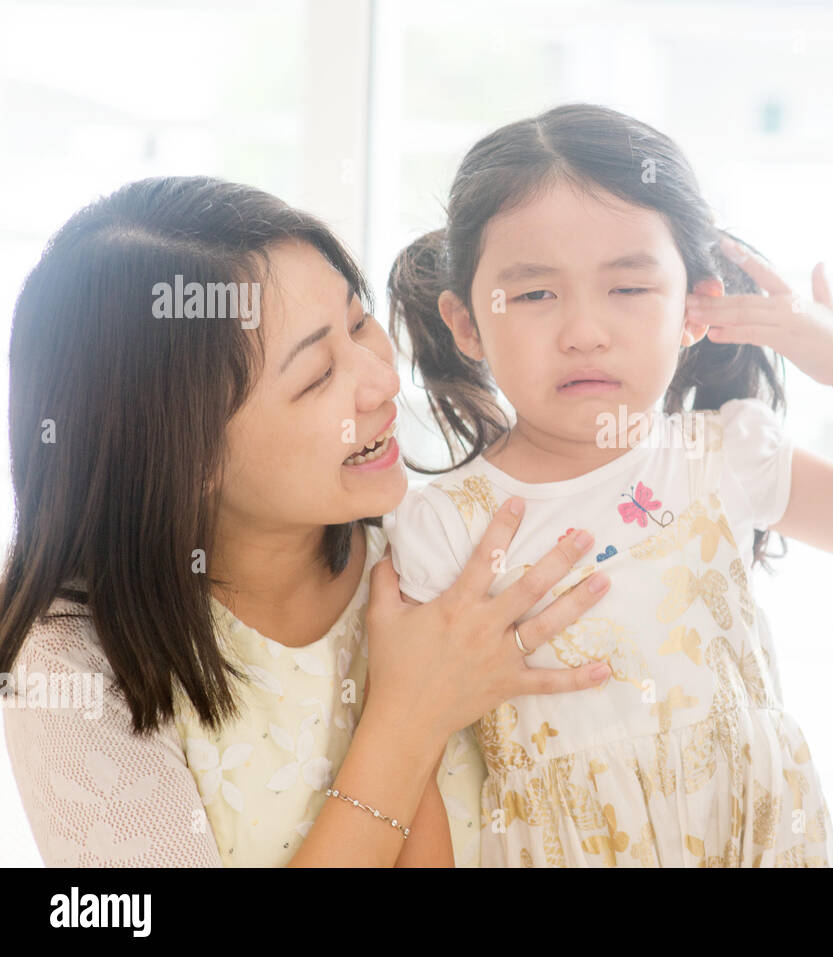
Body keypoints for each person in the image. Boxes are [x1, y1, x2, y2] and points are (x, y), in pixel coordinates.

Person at [384, 103, 833, 866]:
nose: (584, 330)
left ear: (696, 307)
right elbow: (413, 746)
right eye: (534, 295)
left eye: (628, 289)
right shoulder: (447, 529)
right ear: (466, 324)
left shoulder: (720, 456)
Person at [0, 175, 614, 867]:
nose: (384, 381)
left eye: (358, 323)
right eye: (318, 375)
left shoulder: (443, 544)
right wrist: (407, 719)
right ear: (181, 451)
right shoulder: (71, 659)